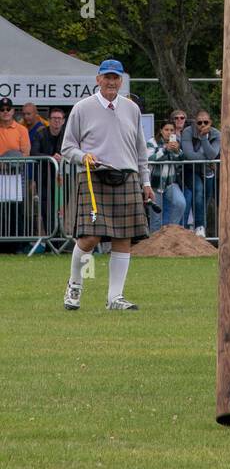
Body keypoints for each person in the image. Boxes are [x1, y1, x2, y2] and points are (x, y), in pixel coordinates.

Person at [61, 59, 153, 311]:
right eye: (107, 77)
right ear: (98, 80)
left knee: (123, 238)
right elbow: (67, 147)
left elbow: (140, 149)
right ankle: (75, 285)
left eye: (116, 78)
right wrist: (83, 157)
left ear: (121, 81)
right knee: (90, 237)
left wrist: (145, 181)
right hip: (94, 177)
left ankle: (115, 298)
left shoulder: (131, 108)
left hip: (127, 176)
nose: (112, 82)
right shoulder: (82, 108)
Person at [181, 109, 220, 237]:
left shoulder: (216, 134)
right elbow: (189, 155)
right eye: (199, 122)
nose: (202, 125)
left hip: (208, 171)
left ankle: (201, 227)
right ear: (194, 123)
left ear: (210, 122)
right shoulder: (187, 132)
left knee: (206, 199)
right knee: (198, 191)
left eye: (205, 122)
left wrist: (204, 139)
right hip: (191, 170)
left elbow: (213, 154)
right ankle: (199, 226)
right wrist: (207, 158)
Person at [30, 107, 66, 241]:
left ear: (63, 121)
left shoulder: (67, 135)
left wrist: (64, 158)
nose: (57, 121)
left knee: (61, 210)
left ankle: (60, 240)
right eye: (54, 118)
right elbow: (33, 153)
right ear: (49, 120)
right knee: (46, 211)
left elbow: (74, 151)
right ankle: (51, 241)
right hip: (45, 179)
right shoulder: (40, 134)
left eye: (59, 119)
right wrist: (51, 157)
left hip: (63, 180)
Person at [0, 97, 31, 250]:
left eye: (8, 109)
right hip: (0, 174)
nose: (5, 112)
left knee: (16, 209)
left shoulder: (21, 130)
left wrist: (11, 163)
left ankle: (15, 245)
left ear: (13, 111)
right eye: (2, 110)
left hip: (16, 175)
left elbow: (25, 153)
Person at [147, 120, 187, 230]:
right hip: (154, 184)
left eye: (172, 130)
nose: (169, 132)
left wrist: (177, 150)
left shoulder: (175, 142)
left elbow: (182, 160)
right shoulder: (152, 142)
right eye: (166, 130)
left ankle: (170, 230)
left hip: (170, 183)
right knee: (156, 218)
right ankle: (154, 245)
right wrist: (165, 149)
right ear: (161, 130)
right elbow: (150, 158)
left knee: (180, 203)